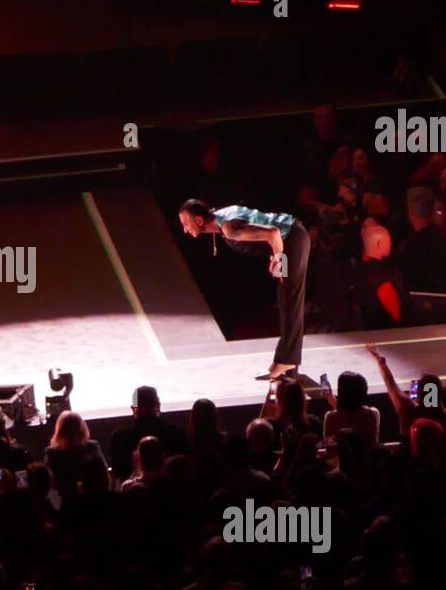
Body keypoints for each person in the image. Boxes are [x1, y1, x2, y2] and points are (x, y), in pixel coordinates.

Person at [179, 200, 311, 380]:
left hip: (291, 240)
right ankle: (290, 368)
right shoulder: (220, 217)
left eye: (186, 224)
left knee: (290, 300)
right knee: (284, 300)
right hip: (287, 242)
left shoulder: (228, 228)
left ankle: (285, 360)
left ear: (200, 220)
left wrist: (280, 263)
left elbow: (273, 234)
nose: (185, 229)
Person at [108, 385, 187, 478]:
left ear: (133, 409)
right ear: (158, 406)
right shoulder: (178, 434)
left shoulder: (119, 438)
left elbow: (118, 473)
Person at [42, 411, 106, 499]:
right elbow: (104, 476)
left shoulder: (51, 452)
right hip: (93, 500)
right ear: (82, 427)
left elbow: (48, 483)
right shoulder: (92, 447)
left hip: (65, 502)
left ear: (60, 429)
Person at [323, 371, 381, 447]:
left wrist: (330, 397)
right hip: (367, 458)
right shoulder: (373, 414)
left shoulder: (330, 417)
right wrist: (331, 398)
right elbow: (352, 416)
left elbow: (345, 417)